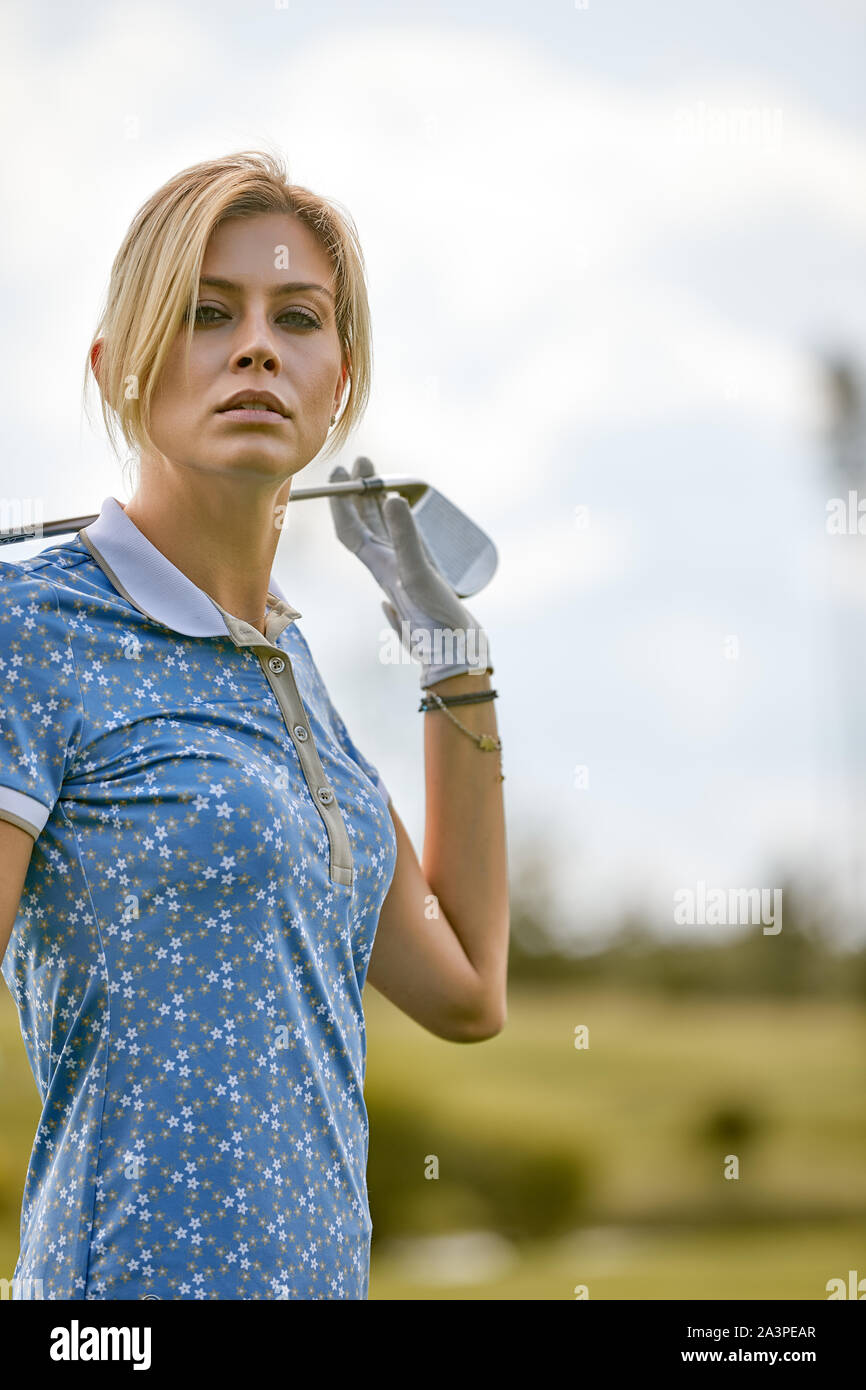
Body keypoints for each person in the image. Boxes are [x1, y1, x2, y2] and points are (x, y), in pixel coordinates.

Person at [0, 149, 508, 1300]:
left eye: (298, 318)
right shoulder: (27, 630)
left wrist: (455, 670)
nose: (256, 346)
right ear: (117, 366)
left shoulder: (296, 680)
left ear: (339, 380)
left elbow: (469, 989)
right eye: (206, 312)